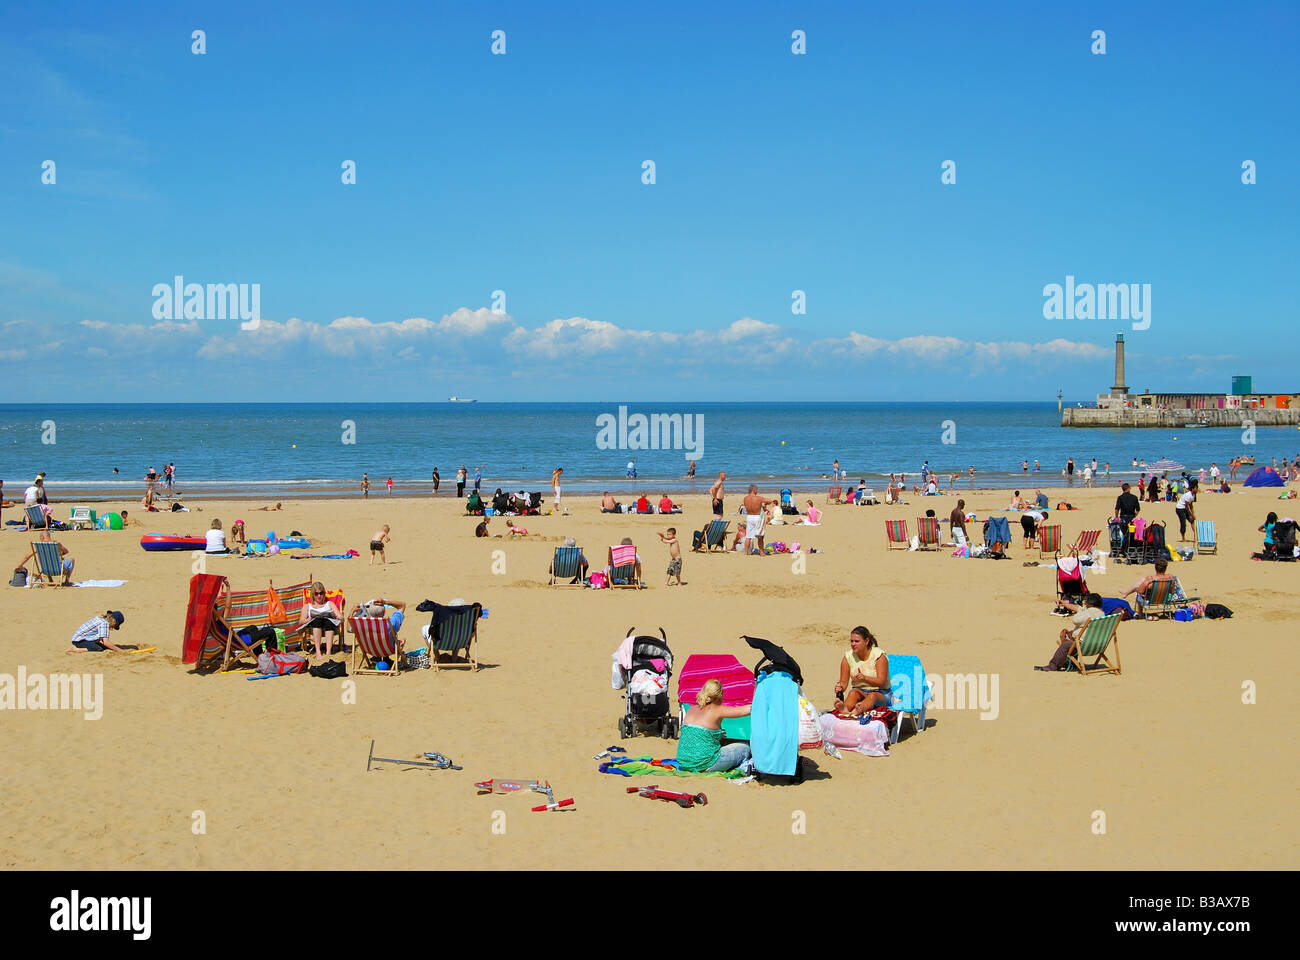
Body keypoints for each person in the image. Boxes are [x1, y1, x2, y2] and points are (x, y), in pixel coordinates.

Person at [675, 679, 752, 773]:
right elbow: (745, 710)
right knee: (745, 747)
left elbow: (698, 735)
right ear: (720, 696)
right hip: (705, 765)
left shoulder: (692, 709)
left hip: (684, 763)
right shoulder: (717, 709)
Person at [1035, 593, 1103, 671]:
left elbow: (1075, 620)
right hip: (1098, 645)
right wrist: (1065, 604)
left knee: (1065, 645)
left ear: (1090, 604)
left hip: (1084, 645)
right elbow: (1078, 608)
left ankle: (1053, 666)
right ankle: (1071, 663)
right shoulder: (1101, 613)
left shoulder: (1088, 613)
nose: (1085, 603)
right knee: (1069, 635)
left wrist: (1081, 612)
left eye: (1086, 602)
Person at [833, 626, 890, 716]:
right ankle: (845, 709)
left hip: (881, 693)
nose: (853, 644)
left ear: (866, 641)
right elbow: (843, 681)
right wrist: (840, 688)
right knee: (853, 693)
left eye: (856, 641)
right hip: (859, 691)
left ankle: (857, 711)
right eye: (851, 641)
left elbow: (881, 681)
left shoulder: (879, 656)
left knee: (872, 696)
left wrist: (865, 678)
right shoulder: (848, 657)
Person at [300, 582, 343, 659]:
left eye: (321, 593)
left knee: (329, 622)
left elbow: (340, 617)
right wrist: (309, 619)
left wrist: (339, 617)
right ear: (312, 594)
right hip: (314, 626)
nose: (319, 596)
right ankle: (318, 652)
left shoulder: (330, 604)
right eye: (316, 594)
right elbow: (301, 621)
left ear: (324, 593)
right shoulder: (307, 606)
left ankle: (328, 652)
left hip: (329, 625)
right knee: (317, 621)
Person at [741, 484, 773, 555]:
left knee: (748, 536)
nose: (757, 491)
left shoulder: (745, 498)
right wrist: (764, 504)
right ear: (754, 490)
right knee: (760, 536)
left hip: (749, 517)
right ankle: (761, 552)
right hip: (757, 517)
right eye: (757, 489)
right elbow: (770, 501)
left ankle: (746, 553)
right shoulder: (759, 498)